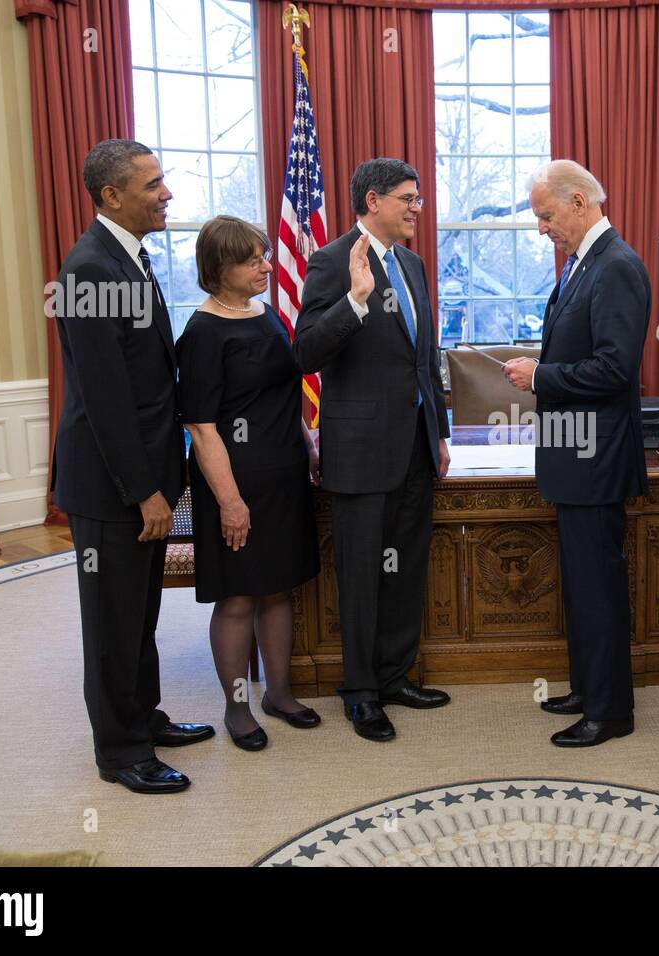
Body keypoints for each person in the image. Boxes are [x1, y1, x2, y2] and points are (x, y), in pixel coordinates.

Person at [51, 139, 212, 794]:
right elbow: (107, 397)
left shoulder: (129, 258)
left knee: (140, 611)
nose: (166, 193)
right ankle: (120, 753)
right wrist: (145, 490)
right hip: (112, 482)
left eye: (162, 181)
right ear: (111, 196)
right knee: (113, 623)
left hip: (144, 474)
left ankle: (144, 717)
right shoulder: (89, 270)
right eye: (152, 185)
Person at [292, 158, 451, 743]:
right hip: (359, 449)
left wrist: (438, 430)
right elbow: (305, 351)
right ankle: (360, 692)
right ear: (374, 200)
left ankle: (393, 675)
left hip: (414, 445)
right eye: (408, 198)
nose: (416, 208)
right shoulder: (332, 262)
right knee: (361, 572)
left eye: (418, 199)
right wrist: (355, 301)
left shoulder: (411, 263)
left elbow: (423, 353)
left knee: (404, 566)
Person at [502, 159, 650, 748]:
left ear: (580, 203)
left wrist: (541, 376)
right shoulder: (585, 262)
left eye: (546, 215)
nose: (541, 228)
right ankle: (589, 689)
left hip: (596, 459)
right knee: (583, 586)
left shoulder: (616, 266)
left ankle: (610, 711)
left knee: (599, 588)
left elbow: (615, 370)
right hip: (574, 456)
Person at [178, 215, 322, 751]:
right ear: (220, 269)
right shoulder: (201, 332)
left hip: (283, 473)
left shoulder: (266, 316)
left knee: (279, 587)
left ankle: (279, 694)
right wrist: (230, 502)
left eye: (265, 255)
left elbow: (285, 397)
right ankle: (237, 706)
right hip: (233, 483)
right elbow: (201, 425)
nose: (266, 265)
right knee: (238, 597)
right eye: (253, 260)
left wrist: (307, 449)